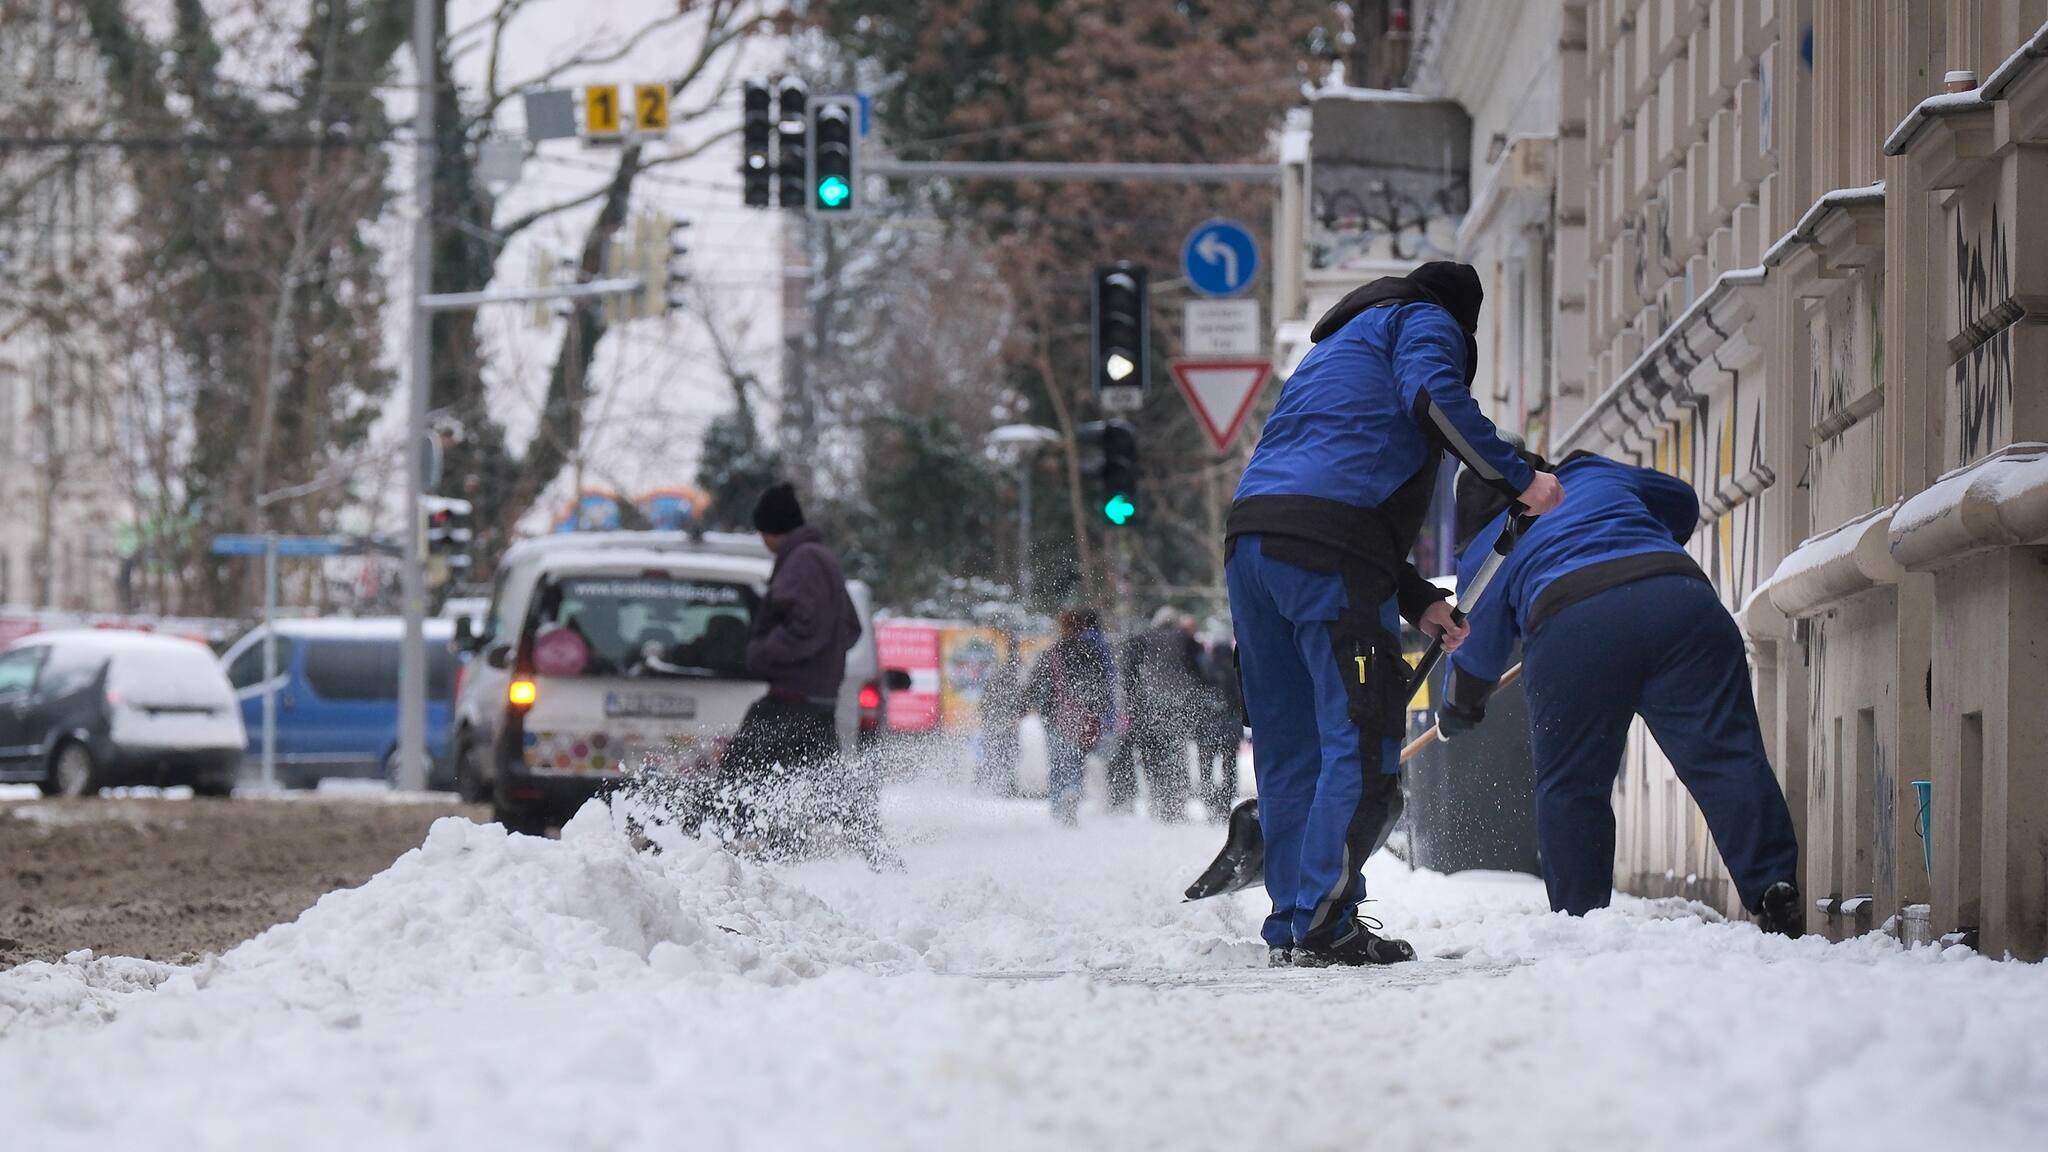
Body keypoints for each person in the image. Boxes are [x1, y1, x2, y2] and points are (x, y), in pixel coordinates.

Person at [1225, 260, 1565, 968]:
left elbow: (1329, 482)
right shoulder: (1423, 321)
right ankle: (1327, 918)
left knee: (1293, 748)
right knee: (1360, 743)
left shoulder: (1332, 353)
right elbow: (1433, 398)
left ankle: (1295, 916)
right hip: (1330, 554)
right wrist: (1518, 476)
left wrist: (1417, 602)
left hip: (1254, 544)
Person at [1438, 453, 1804, 934]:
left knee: (1573, 785)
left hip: (1573, 625)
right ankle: (1772, 886)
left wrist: (1459, 708)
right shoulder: (1592, 474)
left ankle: (1581, 921)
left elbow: (1476, 656)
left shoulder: (1490, 546)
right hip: (1679, 599)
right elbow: (1682, 503)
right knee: (1726, 757)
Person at [710, 482, 863, 852]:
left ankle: (718, 849)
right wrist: (825, 662)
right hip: (818, 697)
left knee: (740, 775)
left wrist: (763, 653)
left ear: (772, 528)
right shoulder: (821, 558)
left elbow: (804, 624)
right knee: (822, 788)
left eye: (762, 531)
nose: (762, 540)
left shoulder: (803, 561)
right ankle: (868, 855)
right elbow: (851, 628)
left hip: (793, 698)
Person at [1023, 608, 1115, 826]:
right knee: (1076, 761)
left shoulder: (1052, 652)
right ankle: (1073, 791)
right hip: (1084, 718)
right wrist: (1099, 714)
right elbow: (1103, 685)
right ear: (1083, 627)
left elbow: (1035, 684)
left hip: (1056, 717)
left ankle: (1058, 808)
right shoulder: (1092, 652)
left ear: (1061, 627)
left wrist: (1022, 707)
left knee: (1057, 764)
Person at [1125, 607, 1208, 821]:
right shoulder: (1184, 639)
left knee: (1152, 756)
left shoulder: (1143, 638)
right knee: (1175, 753)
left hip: (1149, 706)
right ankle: (1176, 803)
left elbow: (1130, 671)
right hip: (1178, 705)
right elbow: (1198, 670)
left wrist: (1134, 701)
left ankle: (1157, 801)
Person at [1193, 635, 1243, 823]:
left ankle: (1209, 802)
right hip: (1228, 728)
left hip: (1206, 729)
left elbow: (1197, 699)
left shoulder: (1205, 670)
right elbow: (1239, 701)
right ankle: (1225, 802)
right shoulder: (1234, 672)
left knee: (1206, 768)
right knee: (1229, 768)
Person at [975, 632, 1026, 796]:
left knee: (997, 752)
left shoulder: (1003, 669)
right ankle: (1003, 785)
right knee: (1005, 752)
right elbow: (1016, 695)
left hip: (997, 717)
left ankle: (987, 782)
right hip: (1003, 718)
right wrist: (1015, 714)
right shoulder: (1012, 670)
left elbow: (989, 694)